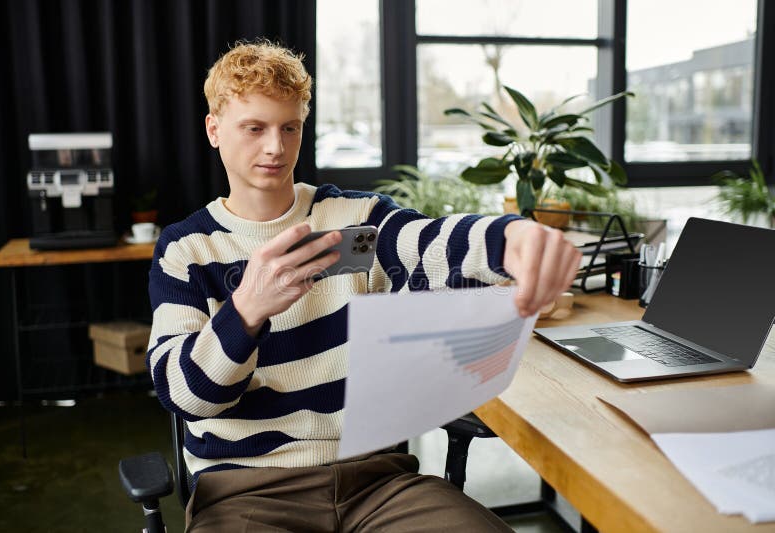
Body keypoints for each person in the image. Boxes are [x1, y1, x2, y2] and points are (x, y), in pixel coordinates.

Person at [147, 40, 581, 532]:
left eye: (290, 127)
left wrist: (510, 237)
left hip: (378, 482)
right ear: (214, 130)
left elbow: (428, 243)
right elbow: (184, 397)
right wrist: (246, 310)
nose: (276, 147)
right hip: (249, 490)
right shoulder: (188, 250)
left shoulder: (352, 222)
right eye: (255, 128)